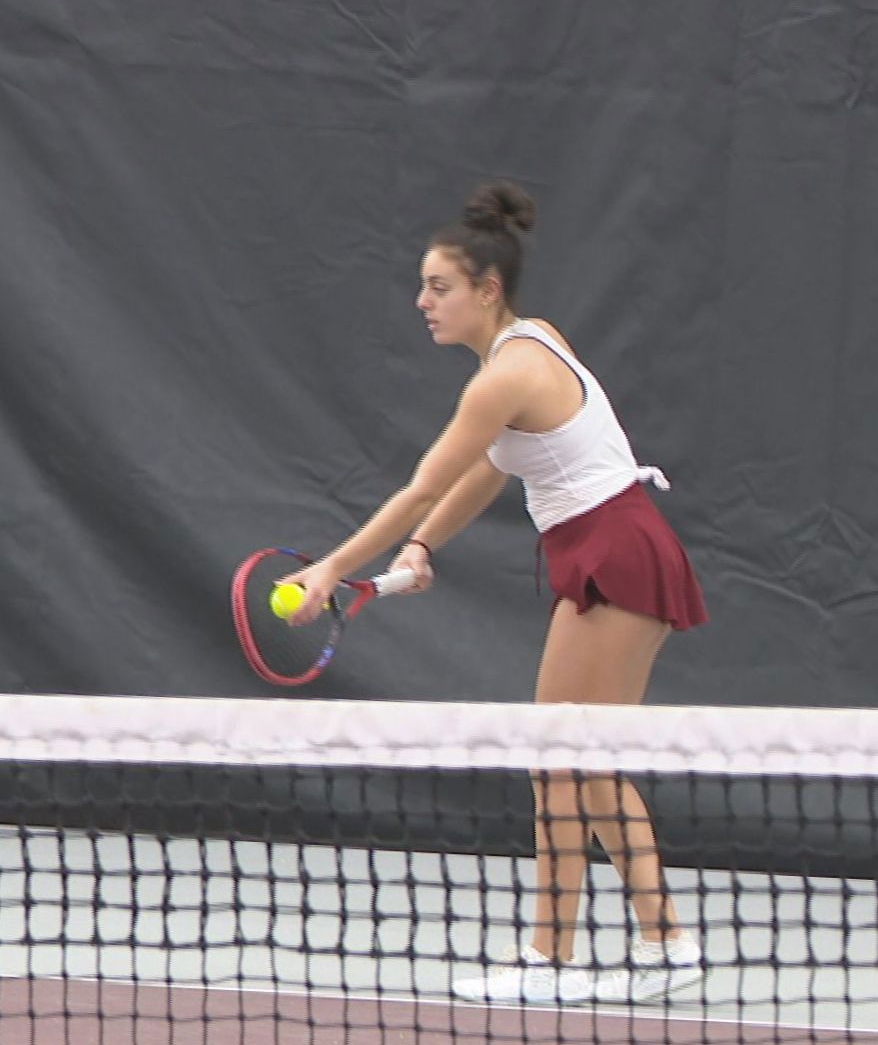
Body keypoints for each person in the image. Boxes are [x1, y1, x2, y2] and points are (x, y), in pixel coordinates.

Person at [279, 180, 707, 1006]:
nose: (422, 302)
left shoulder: (503, 377)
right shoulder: (530, 344)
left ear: (488, 290)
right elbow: (486, 471)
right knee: (579, 762)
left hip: (614, 553)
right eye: (423, 286)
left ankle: (555, 957)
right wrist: (422, 546)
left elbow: (420, 484)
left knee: (562, 760)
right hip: (619, 548)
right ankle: (663, 945)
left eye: (439, 287)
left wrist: (331, 569)